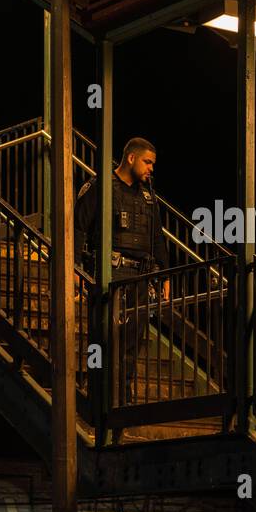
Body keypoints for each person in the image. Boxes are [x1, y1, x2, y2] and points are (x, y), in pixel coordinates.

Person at [76, 138, 171, 406]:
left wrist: (163, 275)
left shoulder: (148, 195)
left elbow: (157, 238)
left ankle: (122, 402)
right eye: (148, 162)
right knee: (103, 340)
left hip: (138, 278)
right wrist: (74, 269)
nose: (151, 168)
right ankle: (98, 401)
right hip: (108, 275)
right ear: (131, 158)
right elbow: (79, 227)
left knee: (130, 345)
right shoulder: (100, 186)